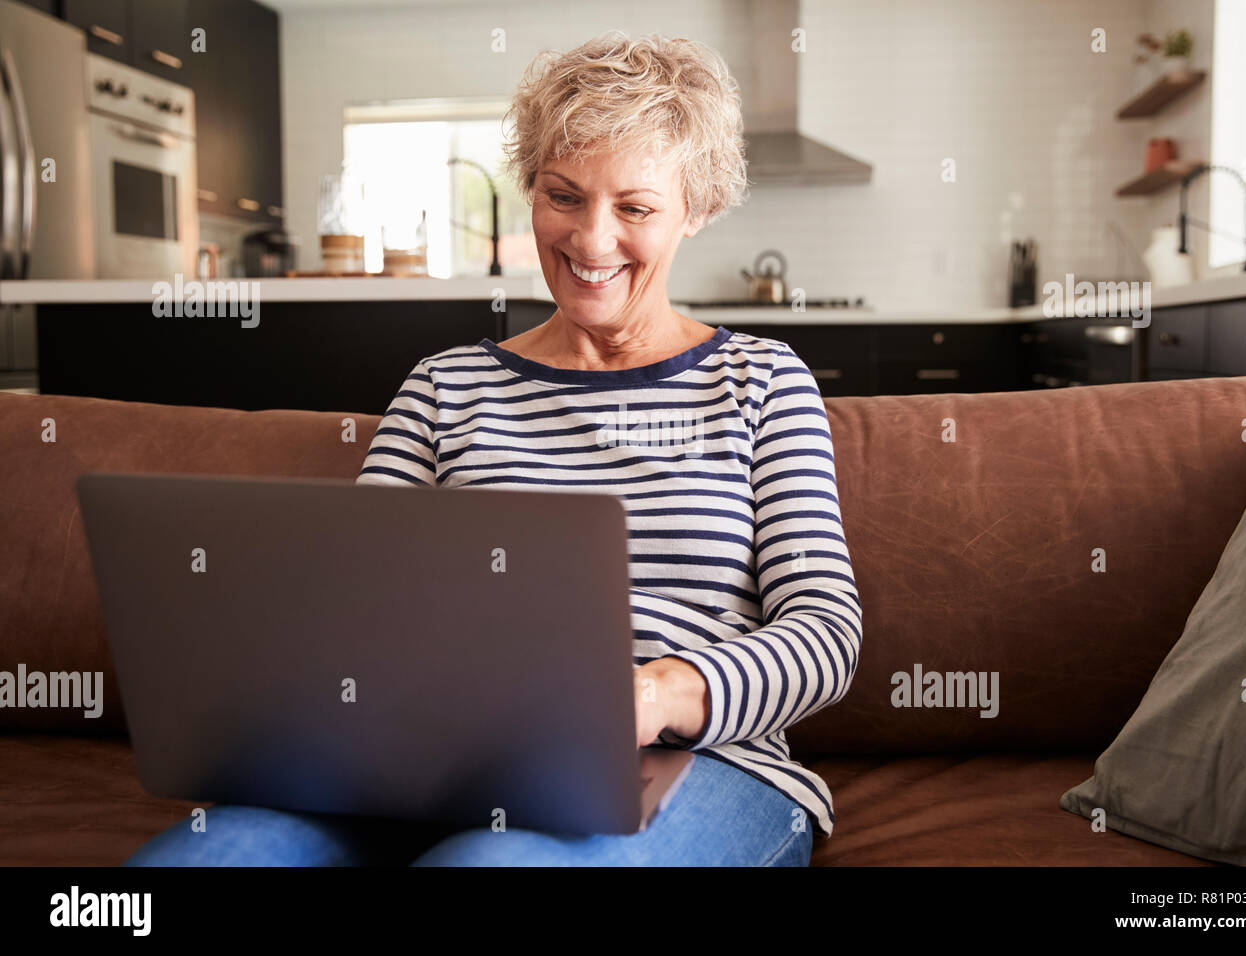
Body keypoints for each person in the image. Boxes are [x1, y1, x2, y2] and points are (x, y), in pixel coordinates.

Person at [125, 30, 861, 867]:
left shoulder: (762, 381)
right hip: (437, 758)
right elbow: (348, 607)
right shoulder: (446, 388)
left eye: (636, 208)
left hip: (703, 760)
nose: (590, 241)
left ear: (696, 208)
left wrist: (657, 693)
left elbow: (825, 630)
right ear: (530, 190)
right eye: (564, 196)